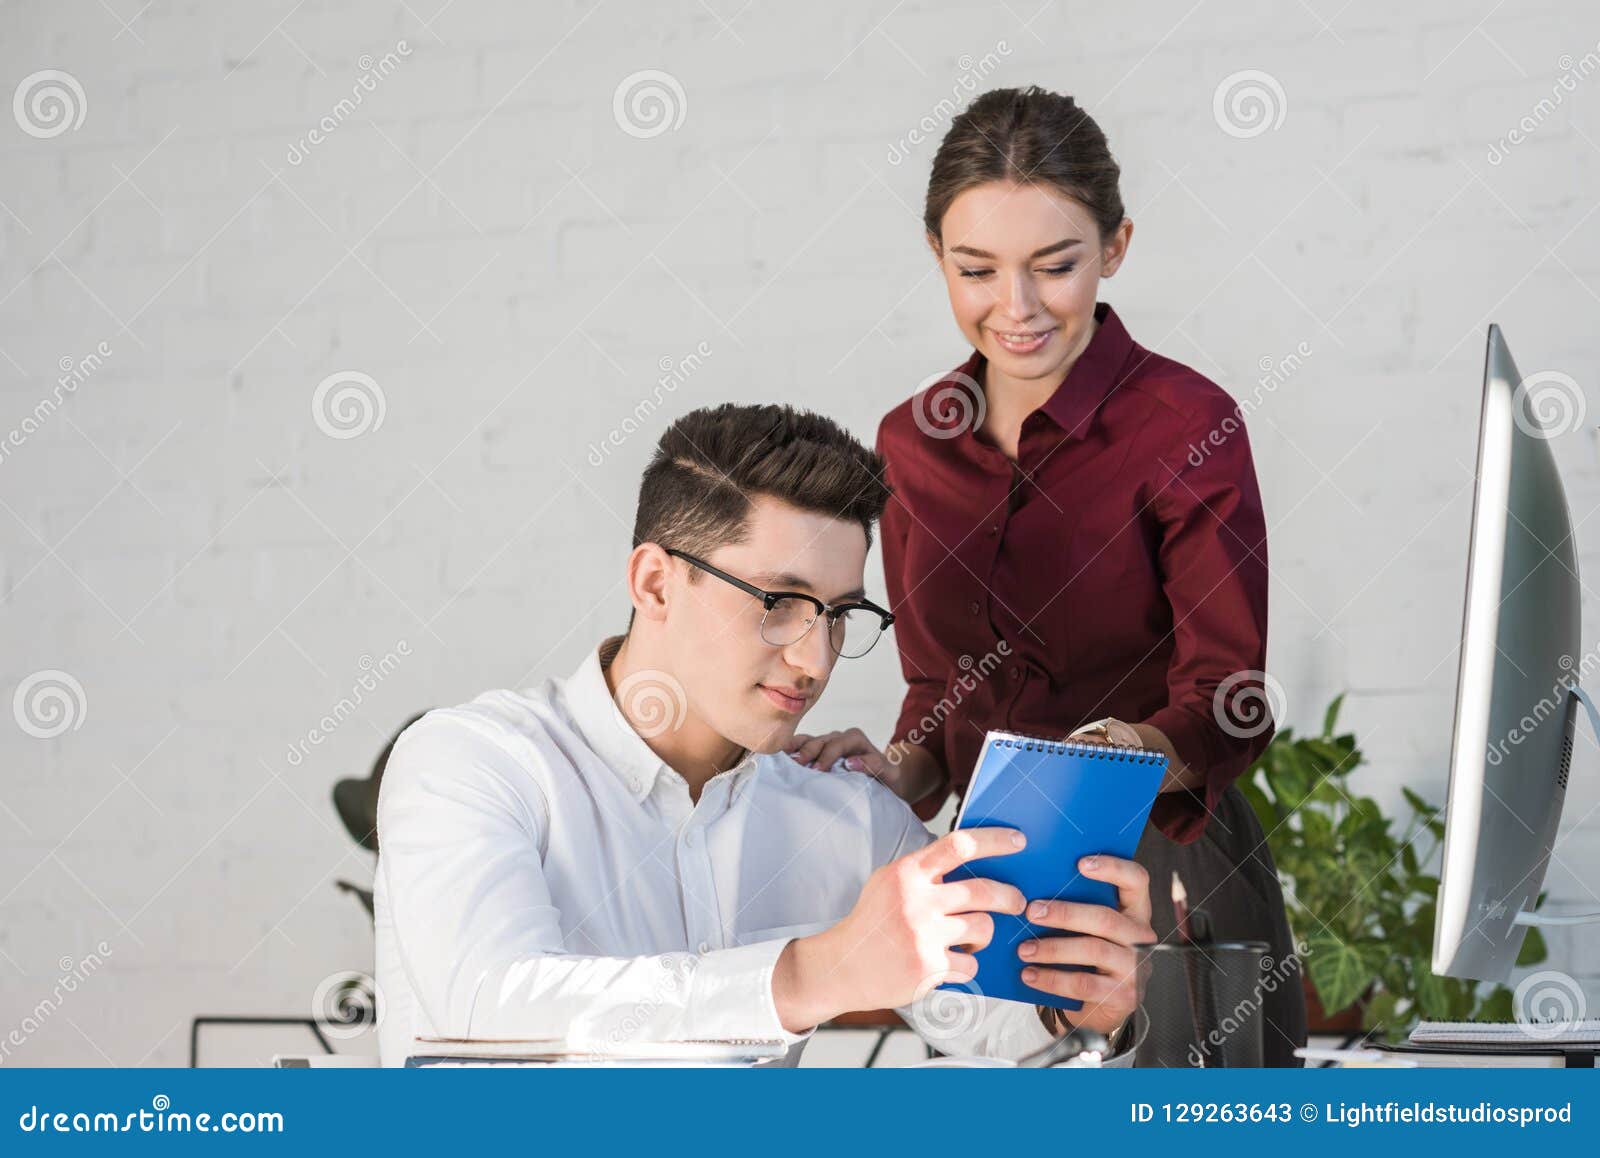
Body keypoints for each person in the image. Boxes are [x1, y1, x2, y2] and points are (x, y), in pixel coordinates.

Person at [373, 403, 1154, 1066]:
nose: (815, 660)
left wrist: (1078, 1004)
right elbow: (486, 1008)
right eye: (779, 602)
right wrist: (813, 973)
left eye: (840, 614)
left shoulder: (848, 815)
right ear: (655, 583)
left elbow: (995, 1028)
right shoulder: (472, 762)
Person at [788, 87, 1307, 1065]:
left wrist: (1122, 749)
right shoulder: (912, 445)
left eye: (1055, 266)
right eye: (975, 270)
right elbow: (939, 692)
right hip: (991, 889)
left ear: (1116, 246)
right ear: (936, 255)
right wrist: (900, 768)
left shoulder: (1184, 423)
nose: (1016, 308)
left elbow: (1231, 700)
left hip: (1165, 874)